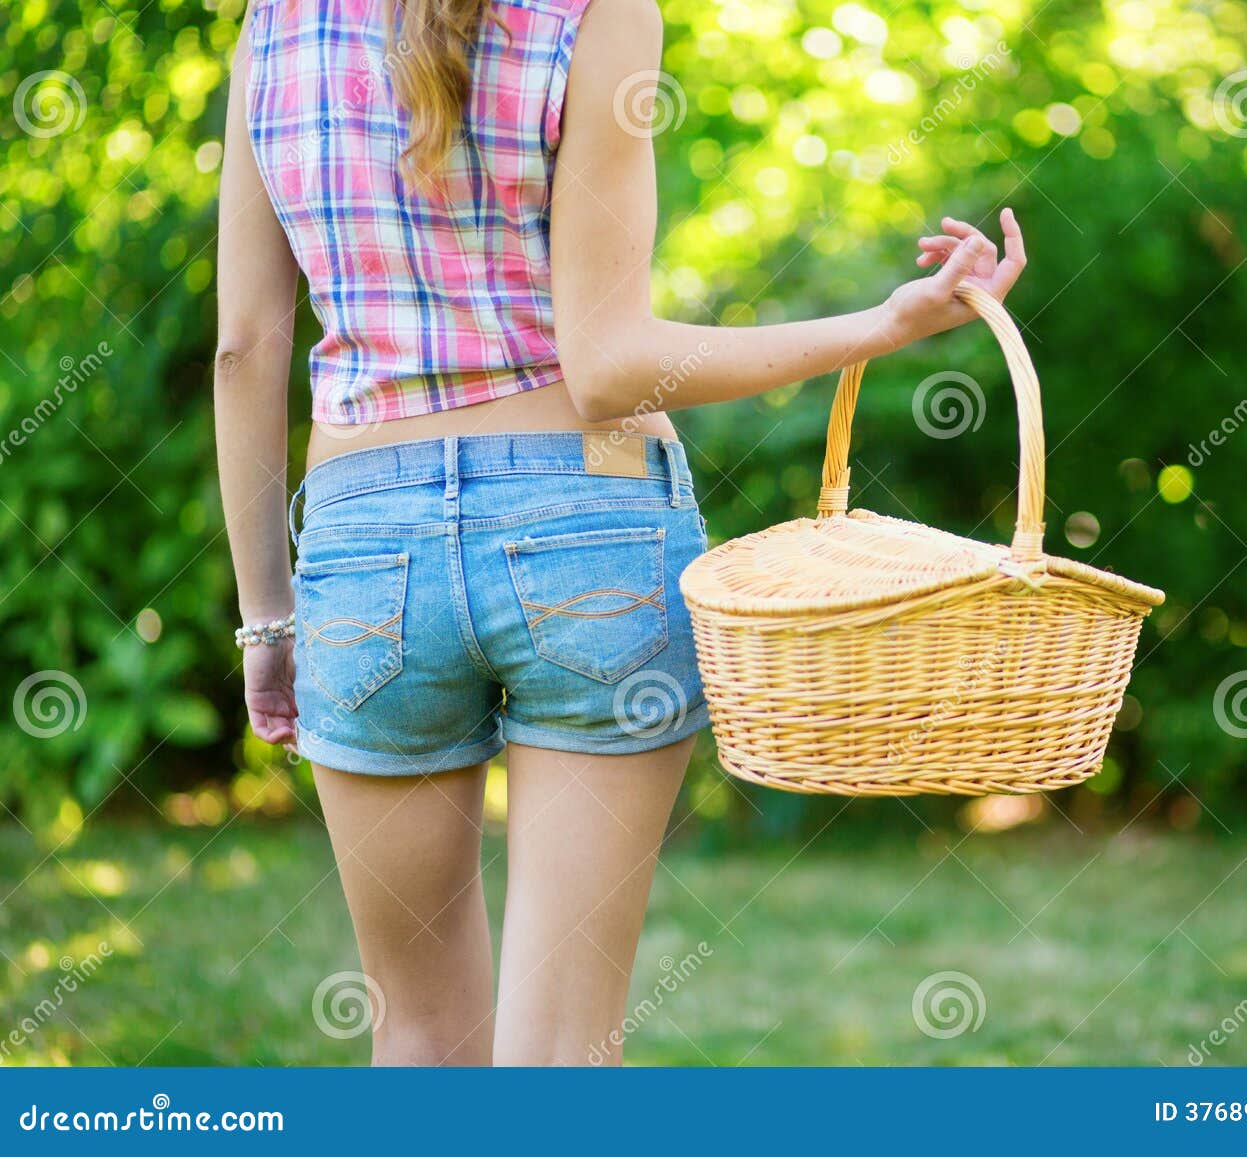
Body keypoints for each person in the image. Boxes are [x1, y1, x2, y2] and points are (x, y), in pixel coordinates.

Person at [215, 0, 1026, 1066]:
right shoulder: (595, 13)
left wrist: (267, 623)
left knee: (414, 1033)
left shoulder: (274, 28)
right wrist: (881, 326)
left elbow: (243, 347)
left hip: (369, 548)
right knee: (559, 1059)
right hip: (588, 523)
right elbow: (604, 365)